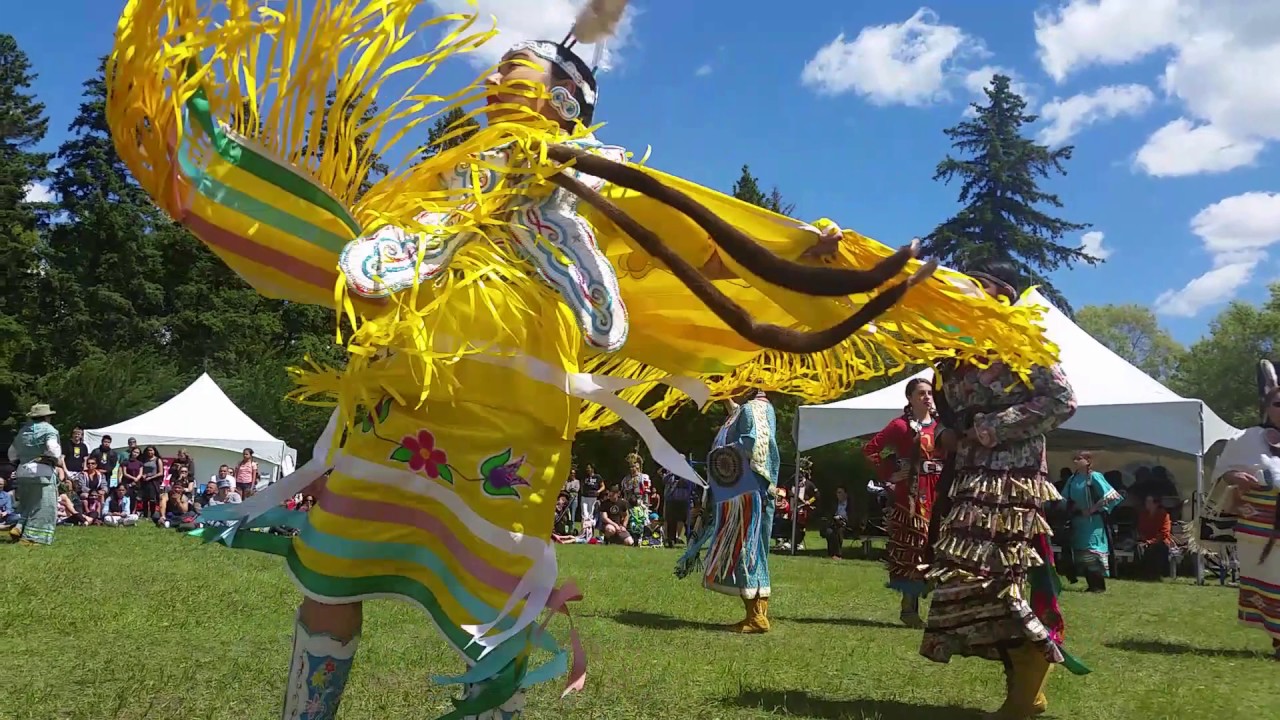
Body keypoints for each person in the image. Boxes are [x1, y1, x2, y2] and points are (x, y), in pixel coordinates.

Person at [110, 1, 1062, 715]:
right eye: (509, 81)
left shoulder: (595, 204)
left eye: (537, 85)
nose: (516, 94)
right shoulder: (439, 188)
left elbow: (626, 312)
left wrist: (816, 264)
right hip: (400, 410)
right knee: (336, 576)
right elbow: (362, 260)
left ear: (571, 109)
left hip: (506, 438)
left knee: (489, 606)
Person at [922, 263, 1082, 719]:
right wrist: (951, 432)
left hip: (1012, 482)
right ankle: (1026, 687)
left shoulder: (1022, 343)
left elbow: (1061, 400)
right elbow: (957, 416)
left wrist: (989, 427)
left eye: (978, 286)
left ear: (1004, 295)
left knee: (1003, 574)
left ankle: (1030, 678)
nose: (966, 292)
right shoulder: (954, 352)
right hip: (970, 477)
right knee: (970, 578)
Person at [676, 389, 779, 633]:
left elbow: (752, 443)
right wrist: (723, 398)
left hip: (747, 493)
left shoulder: (756, 408)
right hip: (751, 490)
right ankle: (758, 614)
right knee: (756, 551)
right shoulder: (752, 407)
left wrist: (716, 458)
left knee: (745, 549)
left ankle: (756, 617)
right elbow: (739, 416)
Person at [1198, 358, 1280, 661]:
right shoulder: (1247, 439)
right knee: (1273, 581)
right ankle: (1278, 640)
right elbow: (1221, 473)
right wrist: (1235, 477)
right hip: (1259, 531)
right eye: (1278, 404)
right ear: (1267, 406)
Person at [863, 376, 943, 627]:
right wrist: (890, 473)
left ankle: (939, 610)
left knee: (940, 548)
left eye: (929, 393)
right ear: (909, 398)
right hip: (911, 496)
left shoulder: (941, 427)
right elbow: (870, 450)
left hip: (939, 493)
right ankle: (909, 609)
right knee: (914, 549)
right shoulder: (900, 426)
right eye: (921, 393)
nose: (927, 397)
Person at [1061, 451, 1123, 592]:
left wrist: (1092, 509)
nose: (1075, 461)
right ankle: (1091, 585)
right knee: (1082, 554)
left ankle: (1098, 586)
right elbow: (1064, 499)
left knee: (1092, 552)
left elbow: (1112, 495)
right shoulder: (1072, 480)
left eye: (1079, 458)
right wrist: (1073, 508)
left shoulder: (1095, 477)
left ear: (1088, 460)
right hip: (1078, 522)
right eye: (1074, 458)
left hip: (1093, 523)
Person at [6, 403, 63, 545]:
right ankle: (32, 538)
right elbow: (54, 450)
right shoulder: (49, 430)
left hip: (23, 472)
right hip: (41, 473)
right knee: (44, 507)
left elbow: (11, 454)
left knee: (28, 505)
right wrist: (50, 457)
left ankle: (19, 528)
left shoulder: (23, 432)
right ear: (46, 417)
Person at [1136, 494, 1173, 581]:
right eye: (1146, 501)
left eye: (1149, 502)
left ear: (1156, 504)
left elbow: (1164, 533)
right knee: (1138, 547)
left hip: (1160, 541)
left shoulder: (1164, 515)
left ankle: (1155, 573)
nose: (1146, 504)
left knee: (1155, 548)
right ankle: (1140, 572)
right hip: (1146, 540)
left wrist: (1150, 542)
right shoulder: (1143, 514)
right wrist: (1144, 540)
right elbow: (1140, 529)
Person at [822, 486, 851, 559]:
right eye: (837, 493)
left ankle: (838, 554)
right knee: (829, 531)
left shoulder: (851, 504)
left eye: (840, 492)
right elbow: (830, 515)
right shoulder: (834, 504)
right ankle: (831, 554)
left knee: (839, 531)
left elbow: (853, 516)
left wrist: (842, 518)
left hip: (847, 525)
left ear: (846, 494)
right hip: (835, 523)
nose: (838, 494)